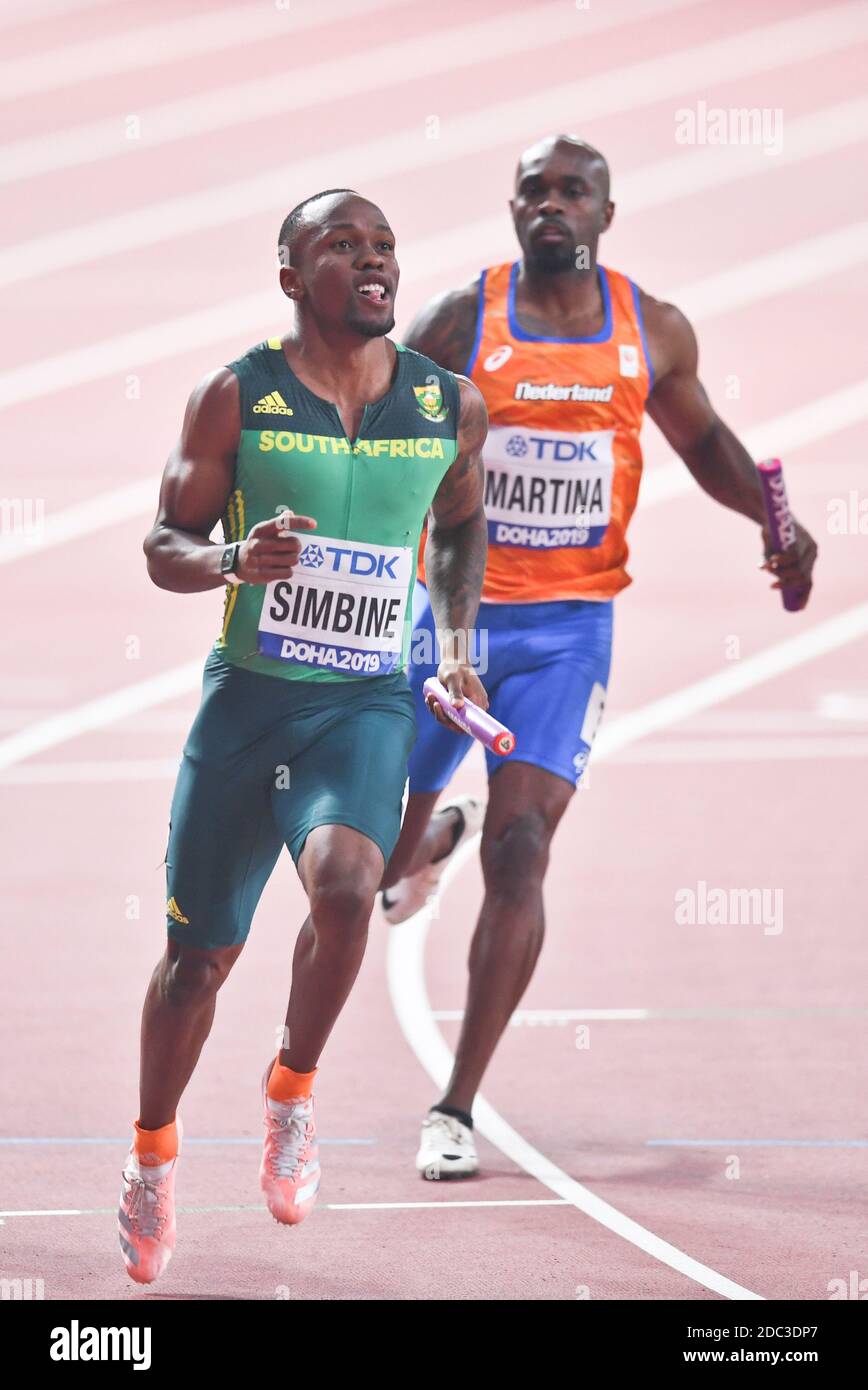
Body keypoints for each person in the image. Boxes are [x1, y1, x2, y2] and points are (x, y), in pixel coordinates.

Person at [380, 136, 818, 1179]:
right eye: (533, 188)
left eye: (572, 191)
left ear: (604, 215)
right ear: (512, 207)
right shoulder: (459, 320)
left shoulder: (648, 329)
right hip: (451, 614)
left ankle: (455, 1104)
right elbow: (384, 433)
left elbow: (703, 441)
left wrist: (771, 519)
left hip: (568, 630)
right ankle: (423, 836)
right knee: (359, 869)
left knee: (522, 849)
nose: (551, 205)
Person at [118, 189, 488, 1283]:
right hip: (248, 705)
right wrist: (234, 562)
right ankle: (151, 1158)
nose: (372, 262)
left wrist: (456, 641)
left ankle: (291, 1090)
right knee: (195, 966)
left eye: (383, 247)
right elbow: (164, 541)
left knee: (345, 881)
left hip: (364, 705)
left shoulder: (447, 404)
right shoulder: (235, 396)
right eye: (342, 246)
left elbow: (461, 524)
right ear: (292, 276)